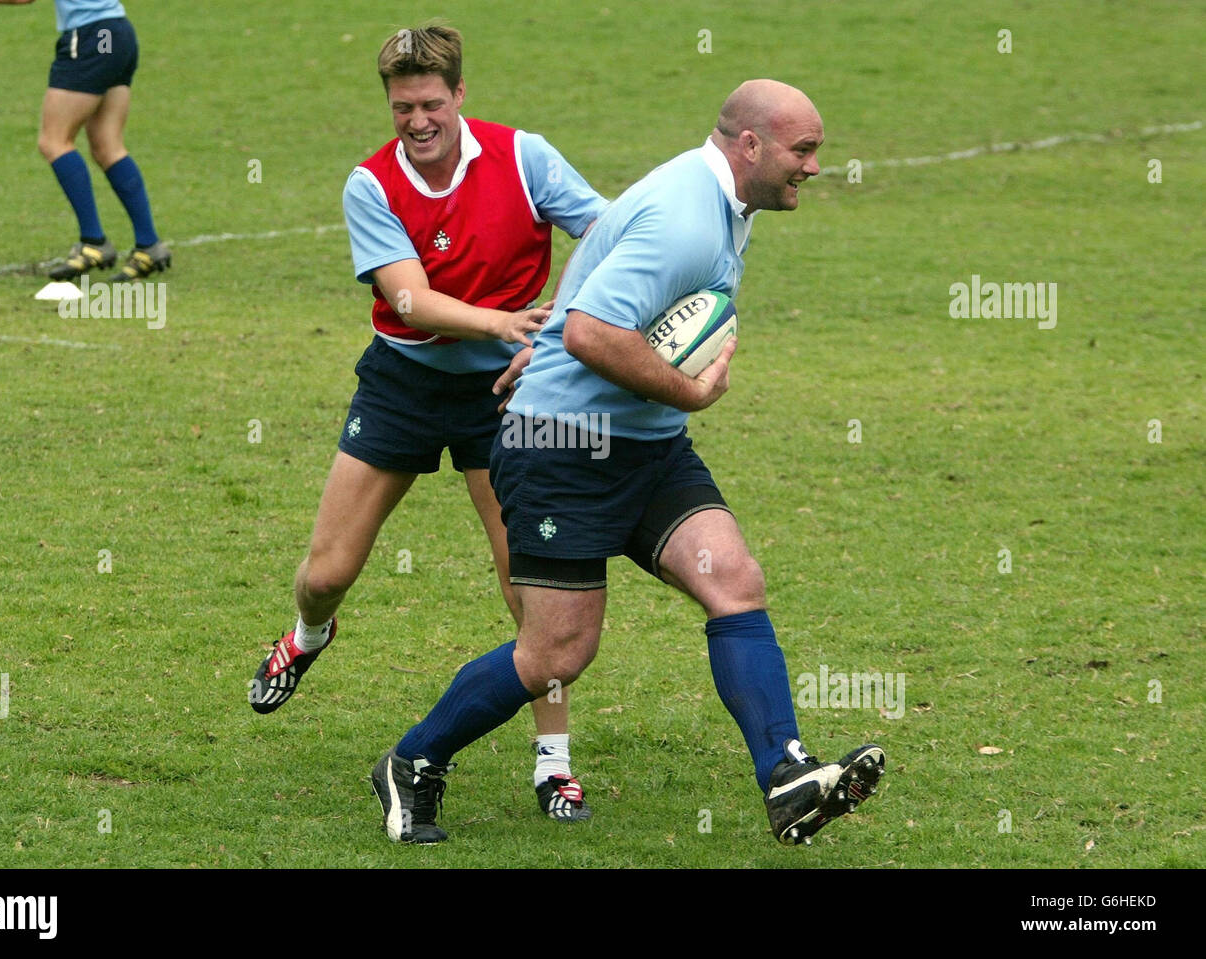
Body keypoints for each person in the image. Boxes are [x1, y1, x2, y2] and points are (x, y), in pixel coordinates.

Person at [371, 79, 886, 845]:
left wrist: (545, 349)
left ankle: (787, 775)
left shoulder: (712, 199)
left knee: (733, 579)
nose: (814, 166)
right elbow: (590, 332)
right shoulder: (685, 219)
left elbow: (596, 253)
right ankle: (413, 760)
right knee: (557, 651)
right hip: (562, 448)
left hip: (644, 444)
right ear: (751, 145)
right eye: (803, 150)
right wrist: (689, 390)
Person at [248, 23, 607, 832]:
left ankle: (555, 763)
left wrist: (561, 320)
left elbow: (611, 233)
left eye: (431, 103)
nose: (417, 120)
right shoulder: (369, 184)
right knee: (326, 570)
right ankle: (308, 636)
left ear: (460, 96)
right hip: (405, 382)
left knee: (532, 586)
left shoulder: (527, 157)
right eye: (403, 106)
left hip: (508, 392)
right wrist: (504, 321)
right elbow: (407, 300)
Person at [0, 0, 171, 281]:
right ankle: (149, 246)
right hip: (118, 33)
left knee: (54, 141)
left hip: (91, 38)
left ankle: (93, 242)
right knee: (108, 146)